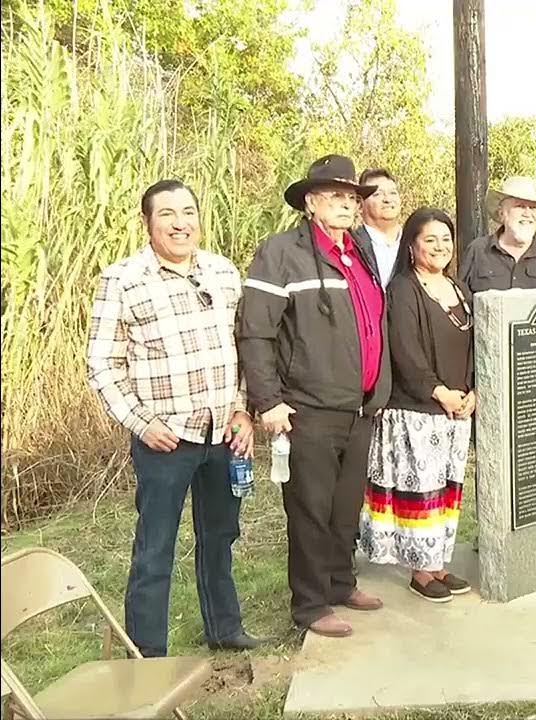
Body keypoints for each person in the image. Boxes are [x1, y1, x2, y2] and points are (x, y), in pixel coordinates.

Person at [87, 179, 260, 657]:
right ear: (147, 223)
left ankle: (225, 629)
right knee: (155, 549)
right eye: (167, 214)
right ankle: (147, 655)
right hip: (165, 440)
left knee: (221, 537)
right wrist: (141, 422)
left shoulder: (223, 274)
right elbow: (102, 363)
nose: (180, 223)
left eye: (188, 212)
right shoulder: (122, 280)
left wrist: (243, 409)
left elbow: (244, 349)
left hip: (223, 435)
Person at [237, 154, 390, 639]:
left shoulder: (360, 250)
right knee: (309, 509)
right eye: (335, 197)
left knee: (346, 507)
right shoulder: (282, 253)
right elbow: (256, 331)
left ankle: (341, 582)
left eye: (352, 197)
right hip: (308, 408)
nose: (347, 205)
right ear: (310, 202)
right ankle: (309, 604)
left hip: (360, 406)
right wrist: (268, 400)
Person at [359, 208, 476, 603]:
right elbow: (406, 352)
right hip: (417, 410)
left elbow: (475, 347)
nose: (440, 247)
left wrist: (472, 391)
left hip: (457, 412)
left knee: (447, 491)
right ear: (412, 246)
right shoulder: (404, 291)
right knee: (422, 494)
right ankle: (421, 572)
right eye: (430, 240)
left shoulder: (459, 289)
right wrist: (438, 391)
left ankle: (439, 563)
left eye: (446, 239)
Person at [458, 176, 536, 293]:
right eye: (520, 206)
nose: (527, 213)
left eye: (533, 207)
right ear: (502, 213)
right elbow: (462, 300)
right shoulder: (477, 251)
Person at [353, 168, 403, 288]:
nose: (387, 199)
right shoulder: (351, 245)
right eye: (378, 194)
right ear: (360, 206)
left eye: (393, 193)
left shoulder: (415, 242)